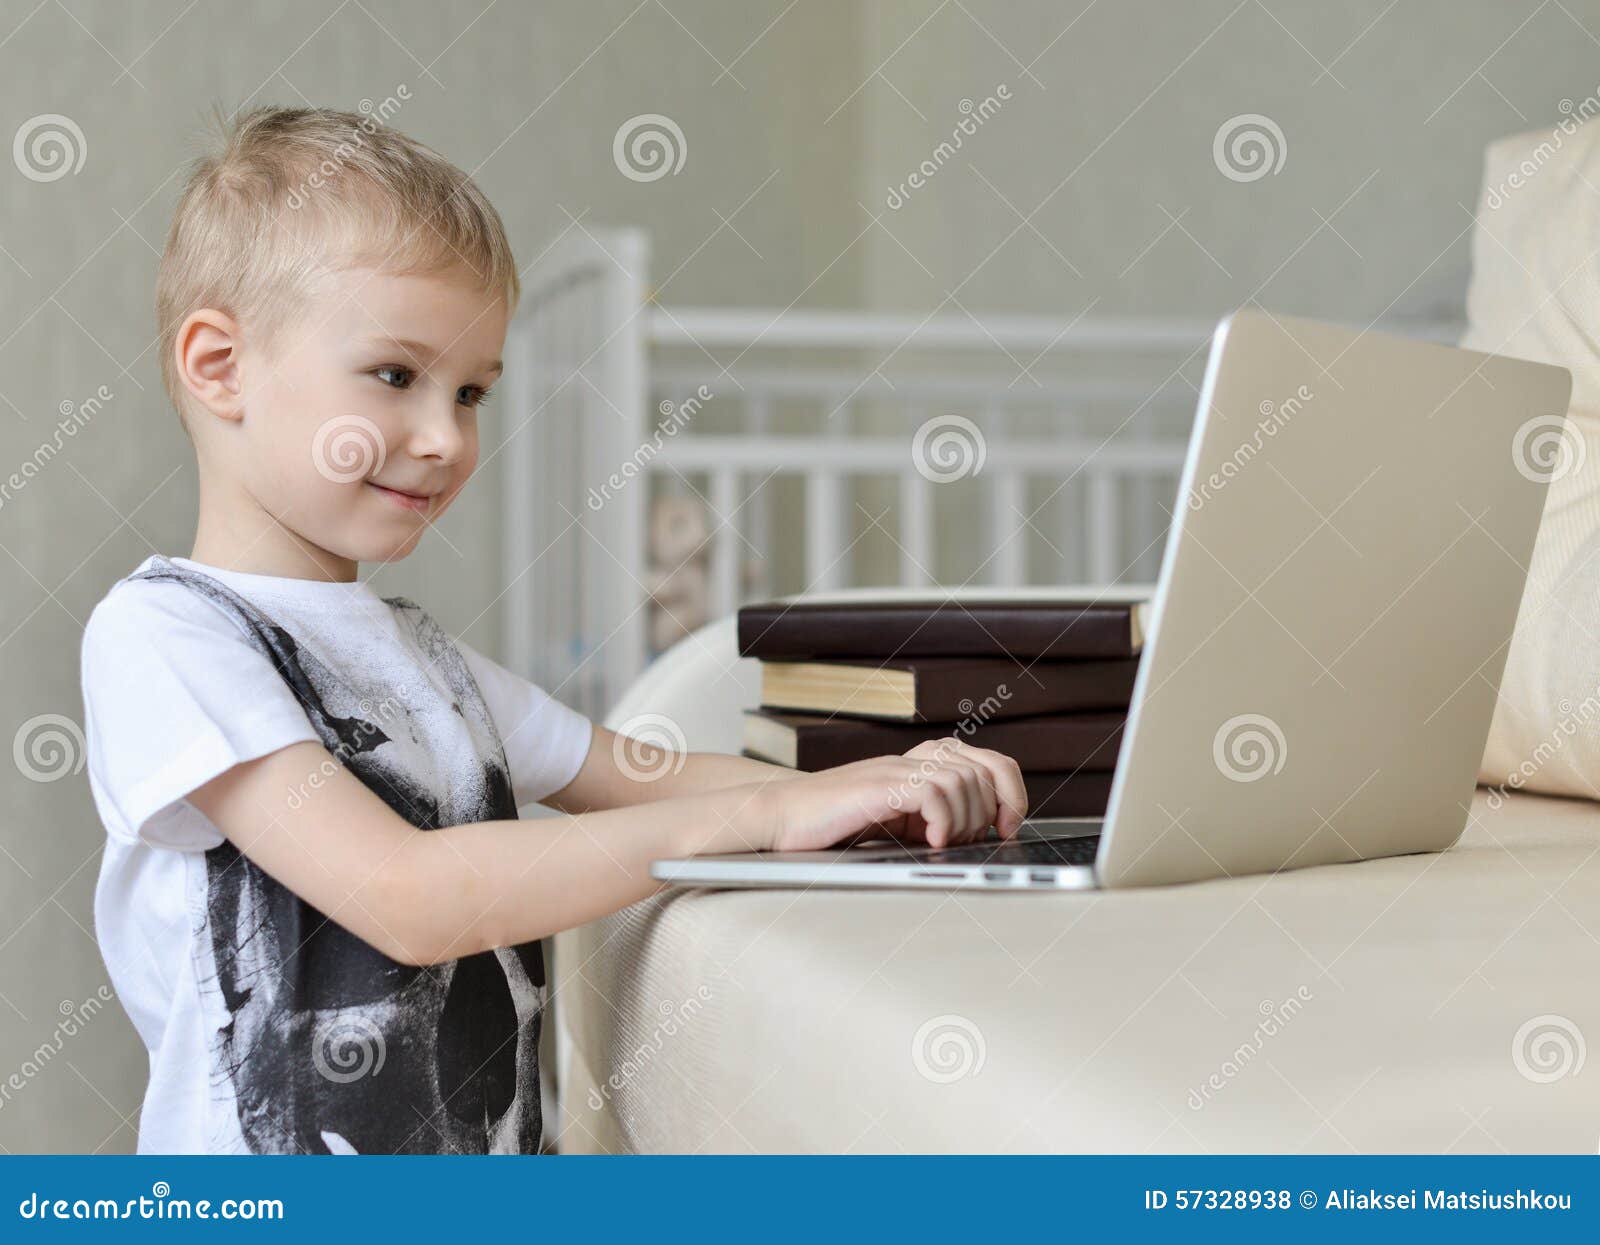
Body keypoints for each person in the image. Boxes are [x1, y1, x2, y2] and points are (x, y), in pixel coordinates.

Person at [80, 106, 1028, 1155]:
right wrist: (758, 812)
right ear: (220, 367)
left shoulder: (421, 655)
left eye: (473, 391)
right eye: (396, 376)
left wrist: (864, 792)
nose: (445, 438)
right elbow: (405, 898)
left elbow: (640, 771)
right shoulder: (165, 637)